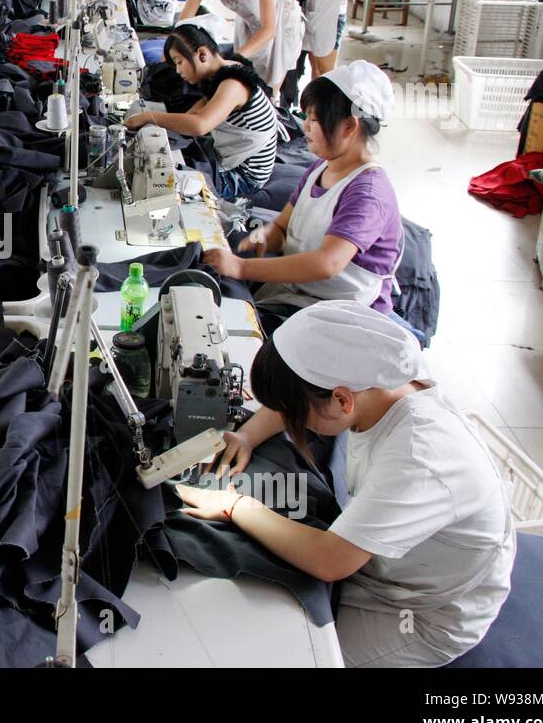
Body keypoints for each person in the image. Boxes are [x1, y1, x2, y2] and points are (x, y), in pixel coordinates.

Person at [176, 301, 515, 668]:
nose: (291, 422)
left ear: (342, 399)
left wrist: (236, 506)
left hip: (421, 611)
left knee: (287, 655)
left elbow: (330, 560)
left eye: (294, 414)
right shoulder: (381, 381)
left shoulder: (420, 456)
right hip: (383, 565)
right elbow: (300, 392)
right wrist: (246, 436)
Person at [203, 62, 404, 329]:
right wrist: (258, 239)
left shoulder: (368, 194)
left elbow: (327, 264)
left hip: (347, 317)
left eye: (314, 119)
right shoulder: (320, 167)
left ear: (348, 126)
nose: (305, 127)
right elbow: (283, 227)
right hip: (304, 295)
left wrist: (241, 267)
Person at [124, 23, 278, 200]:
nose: (178, 70)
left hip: (244, 176)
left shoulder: (234, 85)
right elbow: (193, 116)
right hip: (229, 159)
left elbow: (199, 125)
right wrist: (150, 121)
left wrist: (147, 117)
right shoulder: (223, 72)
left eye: (179, 62)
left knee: (161, 186)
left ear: (202, 54)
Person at [180, 0, 305, 102]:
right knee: (244, 78)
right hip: (250, 22)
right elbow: (183, 25)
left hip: (280, 24)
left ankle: (270, 109)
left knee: (267, 84)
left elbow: (269, 30)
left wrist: (234, 57)